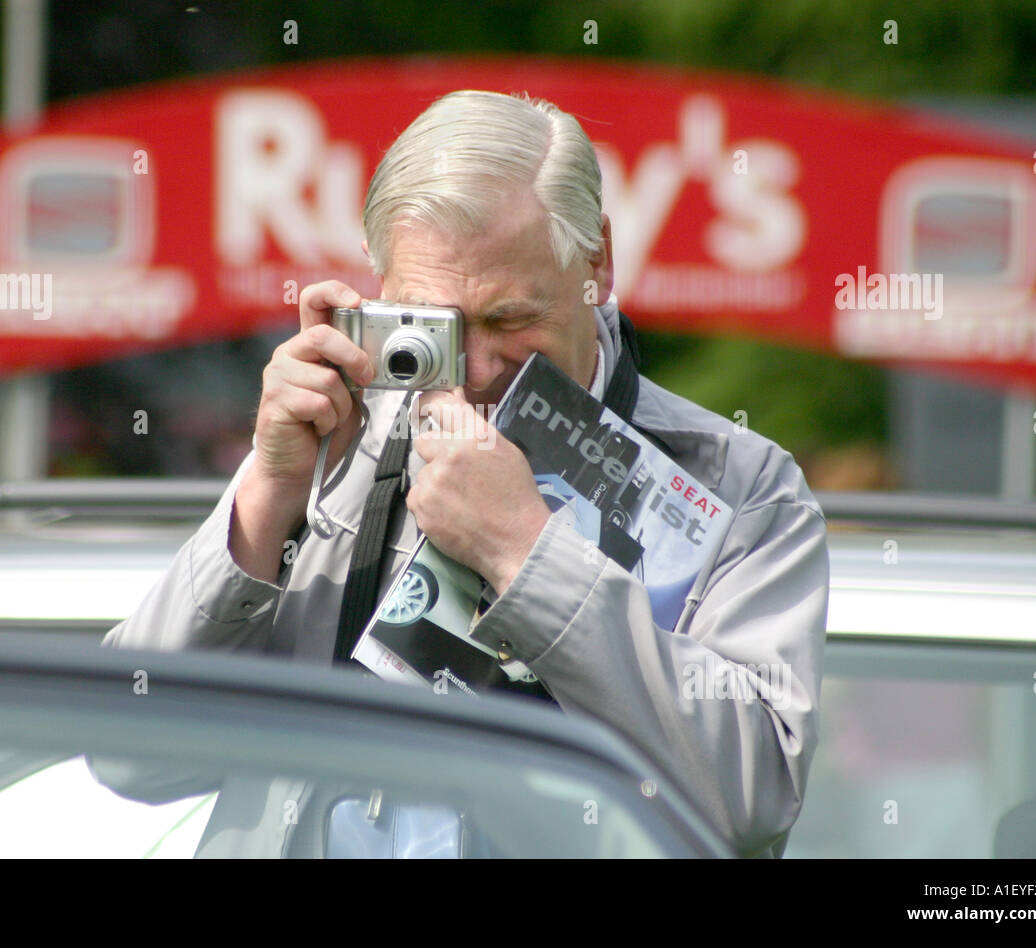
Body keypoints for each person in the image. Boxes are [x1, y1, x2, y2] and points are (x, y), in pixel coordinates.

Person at [100, 90, 829, 858]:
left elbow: (752, 795)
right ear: (379, 288)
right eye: (434, 326)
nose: (478, 369)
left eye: (512, 321)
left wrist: (526, 553)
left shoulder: (736, 486)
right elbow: (128, 752)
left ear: (598, 262)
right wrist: (268, 500)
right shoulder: (334, 441)